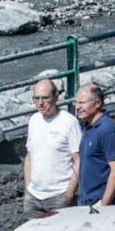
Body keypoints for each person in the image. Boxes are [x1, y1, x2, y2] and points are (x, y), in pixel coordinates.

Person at [23, 79, 81, 217]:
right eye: (36, 98)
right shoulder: (34, 121)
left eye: (45, 98)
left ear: (56, 97)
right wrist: (28, 187)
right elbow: (29, 156)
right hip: (34, 197)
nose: (40, 103)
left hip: (59, 196)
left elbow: (78, 160)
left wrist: (69, 193)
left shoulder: (69, 122)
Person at [74, 84, 115, 207]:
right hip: (87, 201)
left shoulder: (107, 130)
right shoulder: (88, 127)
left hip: (100, 204)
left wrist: (104, 205)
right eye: (76, 103)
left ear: (97, 103)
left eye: (82, 103)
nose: (77, 107)